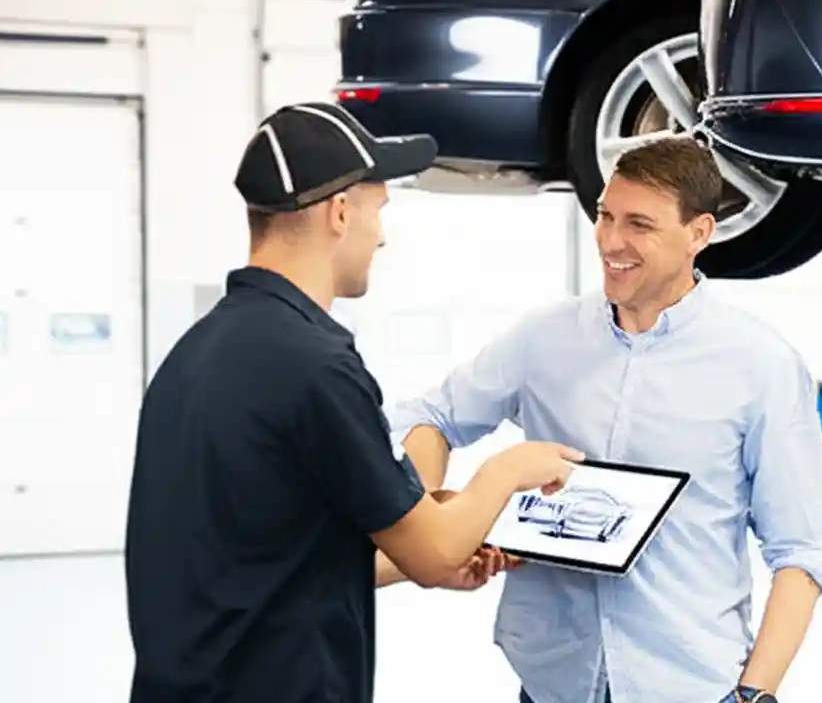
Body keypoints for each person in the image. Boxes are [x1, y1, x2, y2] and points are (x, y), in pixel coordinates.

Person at [123, 101, 583, 703]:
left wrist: (455, 531)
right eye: (379, 209)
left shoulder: (200, 350)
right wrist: (508, 472)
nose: (383, 236)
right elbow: (432, 551)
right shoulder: (314, 366)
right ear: (340, 212)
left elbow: (289, 560)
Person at [389, 138, 822, 703]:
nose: (611, 241)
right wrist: (434, 526)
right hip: (551, 683)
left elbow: (802, 554)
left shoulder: (760, 366)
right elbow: (430, 416)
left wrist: (756, 695)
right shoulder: (544, 339)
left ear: (698, 233)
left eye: (640, 225)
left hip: (690, 686)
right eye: (605, 216)